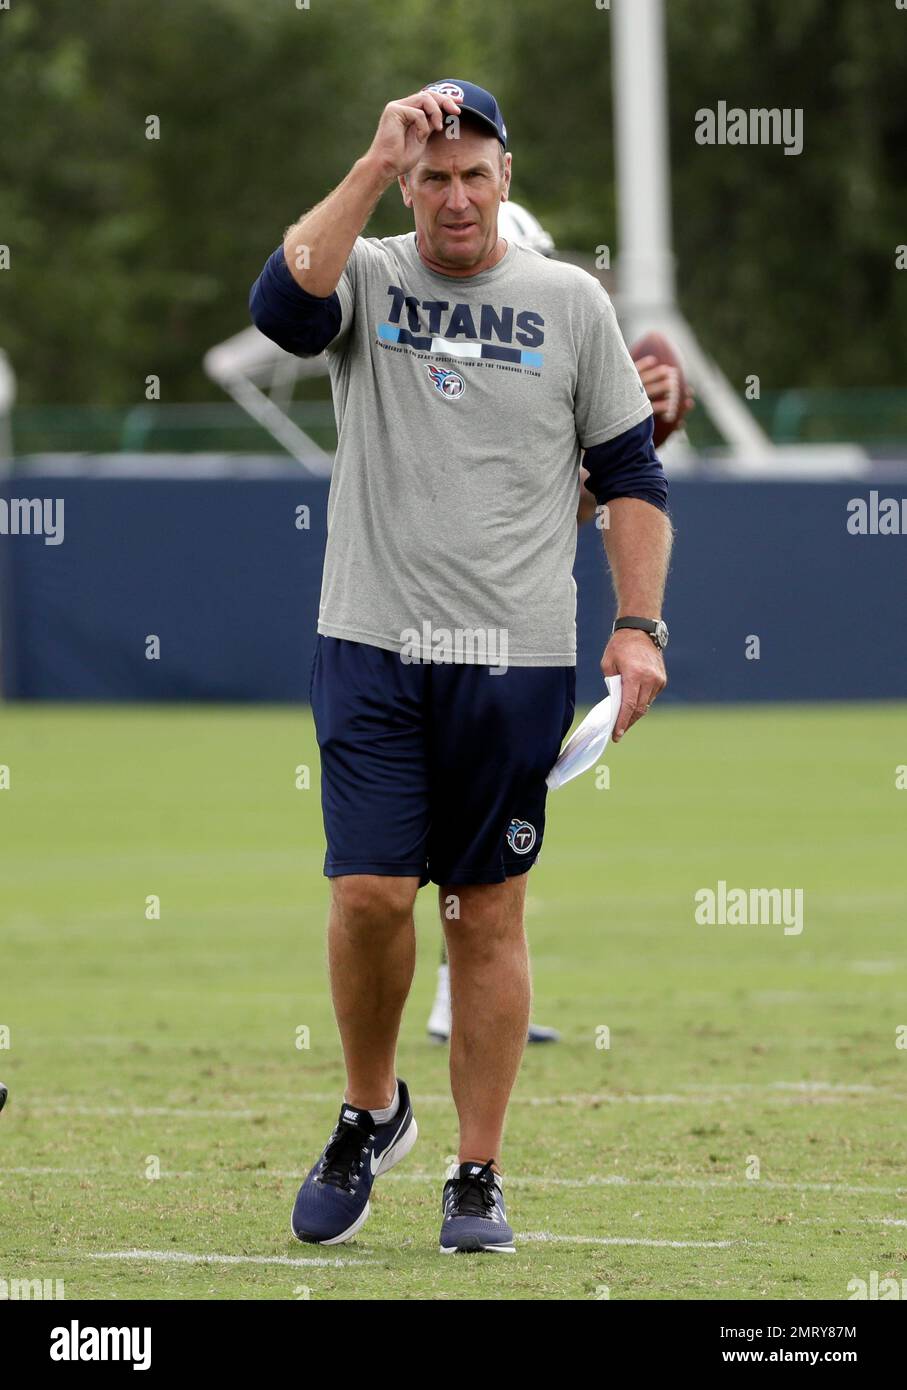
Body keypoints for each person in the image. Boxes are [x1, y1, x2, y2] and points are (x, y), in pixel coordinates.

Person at [250, 79, 671, 1255]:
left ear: (505, 177)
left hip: (515, 657)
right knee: (371, 893)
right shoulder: (371, 272)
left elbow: (632, 478)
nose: (452, 196)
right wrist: (370, 161)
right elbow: (280, 308)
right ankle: (370, 1108)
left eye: (471, 173)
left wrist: (639, 624)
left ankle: (475, 1172)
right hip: (373, 642)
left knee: (485, 914)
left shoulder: (567, 301)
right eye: (431, 174)